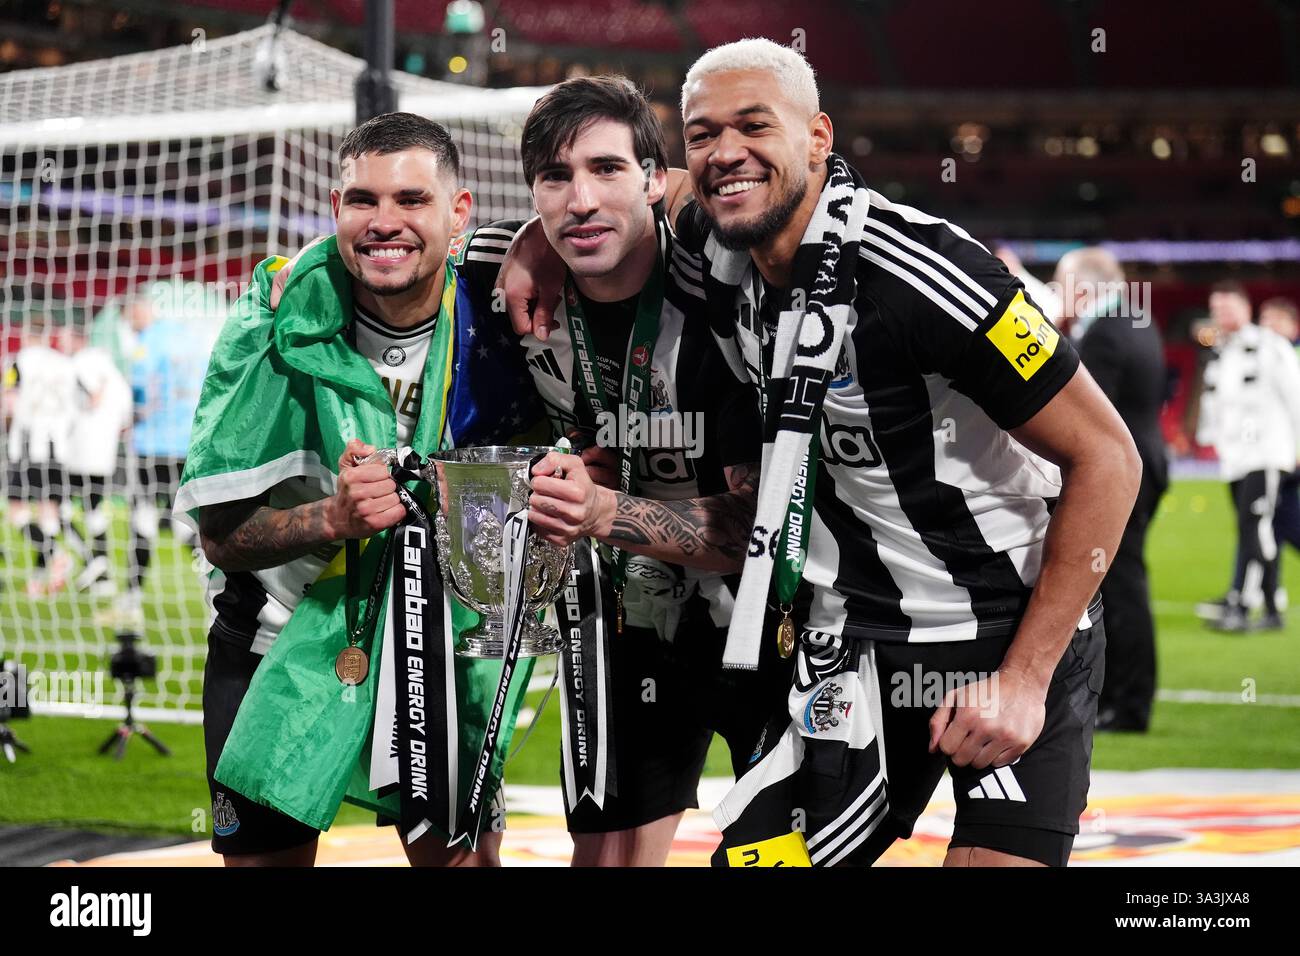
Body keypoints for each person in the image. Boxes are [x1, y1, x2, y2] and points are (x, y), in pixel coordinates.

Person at [510, 39, 1141, 867]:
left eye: (752, 125)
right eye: (702, 135)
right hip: (850, 647)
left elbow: (1109, 457)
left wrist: (1025, 679)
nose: (726, 153)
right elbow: (622, 215)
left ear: (818, 138)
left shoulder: (930, 278)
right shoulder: (713, 248)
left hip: (1004, 631)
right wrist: (535, 242)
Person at [174, 112, 542, 866]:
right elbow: (221, 538)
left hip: (438, 648)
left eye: (412, 200)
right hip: (277, 641)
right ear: (334, 207)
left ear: (459, 211)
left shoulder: (505, 320)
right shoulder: (277, 315)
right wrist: (331, 518)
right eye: (361, 200)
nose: (385, 223)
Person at [463, 75, 787, 866]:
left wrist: (604, 511)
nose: (579, 200)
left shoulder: (727, 284)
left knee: (782, 854)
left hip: (769, 617)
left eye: (607, 170)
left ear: (654, 178)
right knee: (606, 861)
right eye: (555, 178)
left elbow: (762, 532)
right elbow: (378, 241)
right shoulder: (489, 279)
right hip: (624, 618)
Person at [1053, 248, 1167, 732]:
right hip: (1146, 462)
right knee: (1123, 581)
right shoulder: (1137, 319)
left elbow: (1077, 417)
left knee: (1118, 584)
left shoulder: (1106, 333)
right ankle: (1127, 697)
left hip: (1122, 474)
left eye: (1061, 285)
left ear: (1082, 288)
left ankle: (1127, 702)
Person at [1196, 282, 1300, 631]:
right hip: (1236, 459)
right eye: (1217, 310)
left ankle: (1248, 607)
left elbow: (1295, 394)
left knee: (1256, 528)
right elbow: (1217, 405)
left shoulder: (1271, 345)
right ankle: (1267, 611)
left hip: (1267, 454)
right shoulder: (1222, 353)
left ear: (1245, 308)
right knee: (1250, 529)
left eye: (1228, 308)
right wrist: (1210, 440)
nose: (1222, 316)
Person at [124, 291, 207, 615]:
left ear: (141, 310)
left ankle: (132, 596)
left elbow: (141, 387)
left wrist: (136, 414)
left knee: (143, 517)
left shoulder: (148, 342)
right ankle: (210, 584)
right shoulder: (189, 341)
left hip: (153, 444)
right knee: (185, 520)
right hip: (186, 442)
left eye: (132, 314)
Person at [4, 324, 78, 596]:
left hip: (28, 445)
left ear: (27, 335)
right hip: (58, 447)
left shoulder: (19, 360)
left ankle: (57, 553)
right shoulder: (65, 364)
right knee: (48, 515)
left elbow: (9, 401)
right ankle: (40, 579)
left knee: (17, 512)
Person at [68, 326, 133, 595]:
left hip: (79, 448)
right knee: (93, 508)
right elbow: (126, 415)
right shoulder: (114, 369)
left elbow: (93, 395)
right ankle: (103, 575)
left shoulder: (81, 362)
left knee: (60, 508)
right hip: (105, 452)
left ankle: (93, 560)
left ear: (77, 337)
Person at [1259, 297, 1300, 559]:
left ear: (1293, 325)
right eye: (1264, 320)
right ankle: (1267, 587)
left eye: (1275, 320)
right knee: (1268, 517)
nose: (1267, 326)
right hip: (1277, 449)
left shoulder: (1290, 355)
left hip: (1290, 451)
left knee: (1270, 517)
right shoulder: (1270, 356)